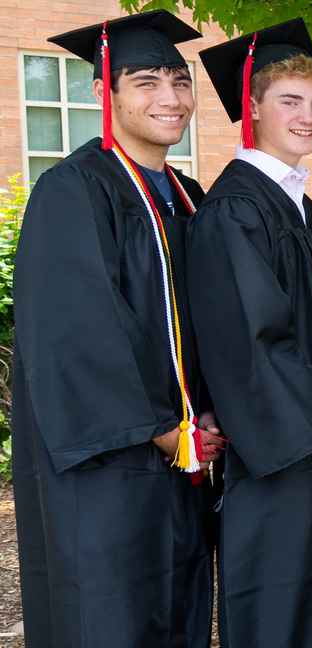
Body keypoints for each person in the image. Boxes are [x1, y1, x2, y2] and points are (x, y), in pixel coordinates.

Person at [14, 12, 223, 647]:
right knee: (110, 615)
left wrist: (210, 412)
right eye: (146, 81)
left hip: (185, 455)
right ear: (106, 93)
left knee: (180, 607)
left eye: (178, 80)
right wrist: (160, 427)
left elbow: (212, 317)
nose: (169, 97)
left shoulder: (186, 194)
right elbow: (74, 328)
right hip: (109, 463)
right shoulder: (74, 190)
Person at [187, 20, 312, 646]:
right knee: (280, 605)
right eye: (289, 101)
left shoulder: (294, 201)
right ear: (253, 106)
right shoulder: (239, 206)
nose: (308, 117)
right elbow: (255, 338)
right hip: (278, 453)